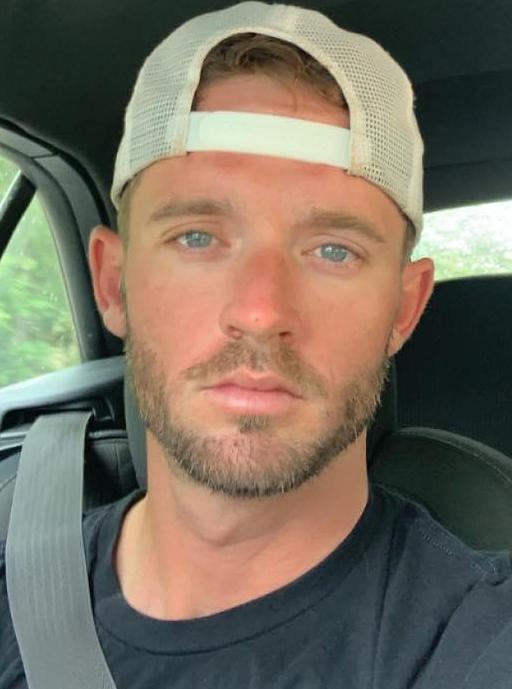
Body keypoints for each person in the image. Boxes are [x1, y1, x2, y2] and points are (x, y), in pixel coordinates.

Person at [1, 2, 512, 687]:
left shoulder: (477, 636)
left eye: (333, 250)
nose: (261, 311)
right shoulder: (13, 586)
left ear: (404, 307)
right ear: (113, 282)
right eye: (197, 238)